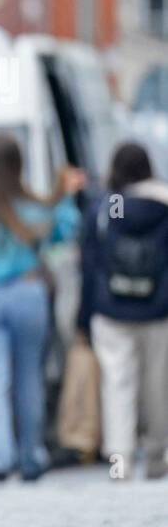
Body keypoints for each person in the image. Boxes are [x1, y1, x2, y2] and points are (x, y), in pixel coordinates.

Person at [0, 134, 85, 483]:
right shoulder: (34, 207)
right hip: (28, 295)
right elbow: (66, 230)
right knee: (29, 377)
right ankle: (30, 456)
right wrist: (66, 195)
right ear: (19, 165)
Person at [77, 142, 168, 479]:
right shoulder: (164, 204)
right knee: (158, 383)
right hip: (159, 308)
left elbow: (87, 265)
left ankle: (121, 459)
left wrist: (83, 317)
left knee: (117, 382)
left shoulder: (103, 207)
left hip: (111, 308)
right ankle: (158, 455)